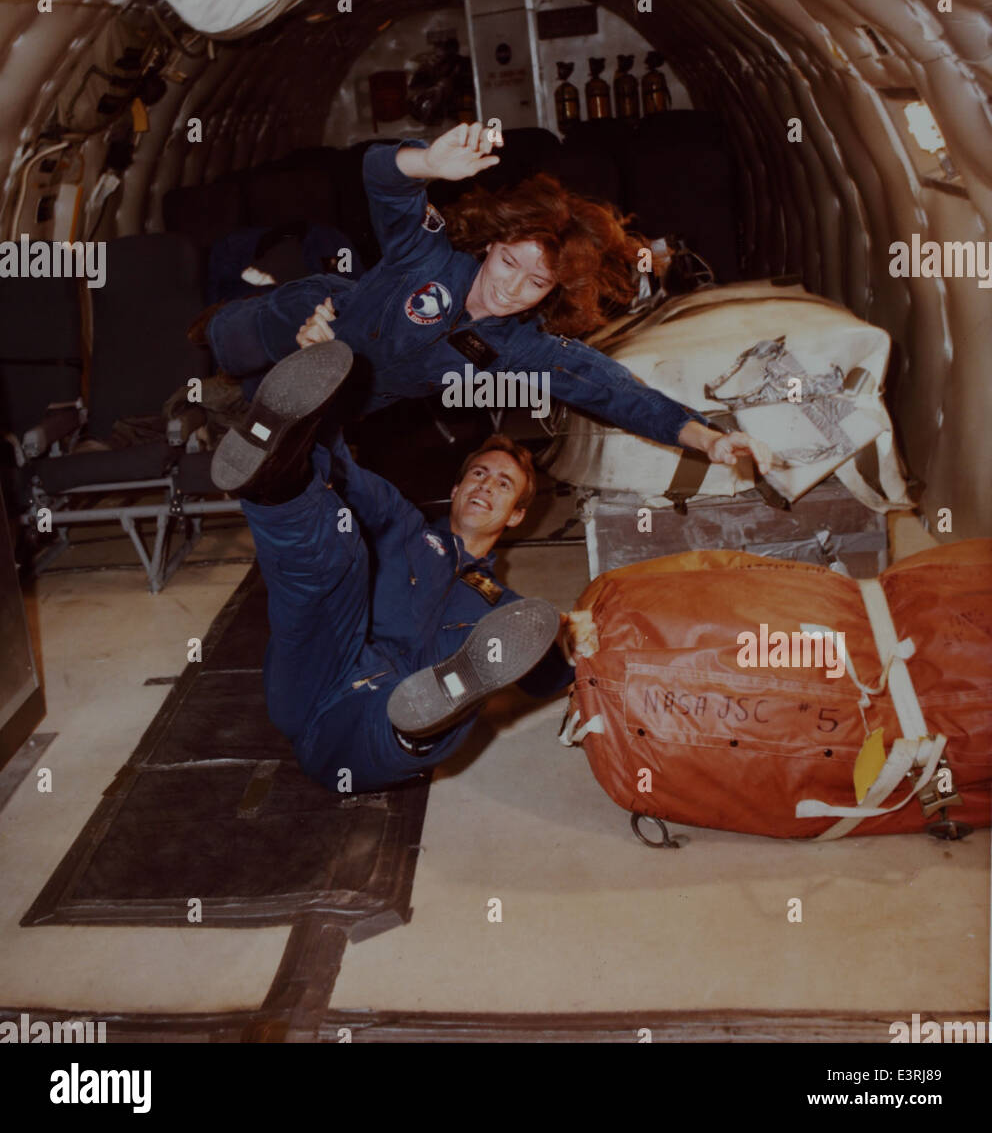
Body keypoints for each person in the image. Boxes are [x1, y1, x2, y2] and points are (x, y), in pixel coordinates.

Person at [207, 123, 773, 477]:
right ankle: (225, 359)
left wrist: (708, 438)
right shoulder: (427, 255)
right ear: (492, 243)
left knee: (282, 466)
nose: (509, 287)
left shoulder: (518, 346)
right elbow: (381, 181)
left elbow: (614, 392)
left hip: (329, 400)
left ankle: (224, 410)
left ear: (553, 293)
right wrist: (427, 163)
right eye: (509, 262)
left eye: (534, 283)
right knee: (223, 347)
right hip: (296, 319)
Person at [210, 339, 587, 796]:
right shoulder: (401, 523)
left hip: (367, 725)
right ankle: (278, 474)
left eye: (503, 484)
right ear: (456, 487)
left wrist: (572, 646)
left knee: (456, 693)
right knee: (342, 548)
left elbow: (544, 677)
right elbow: (345, 472)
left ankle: (421, 725)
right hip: (321, 664)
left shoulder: (505, 610)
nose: (486, 485)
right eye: (478, 473)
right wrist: (320, 405)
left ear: (517, 515)